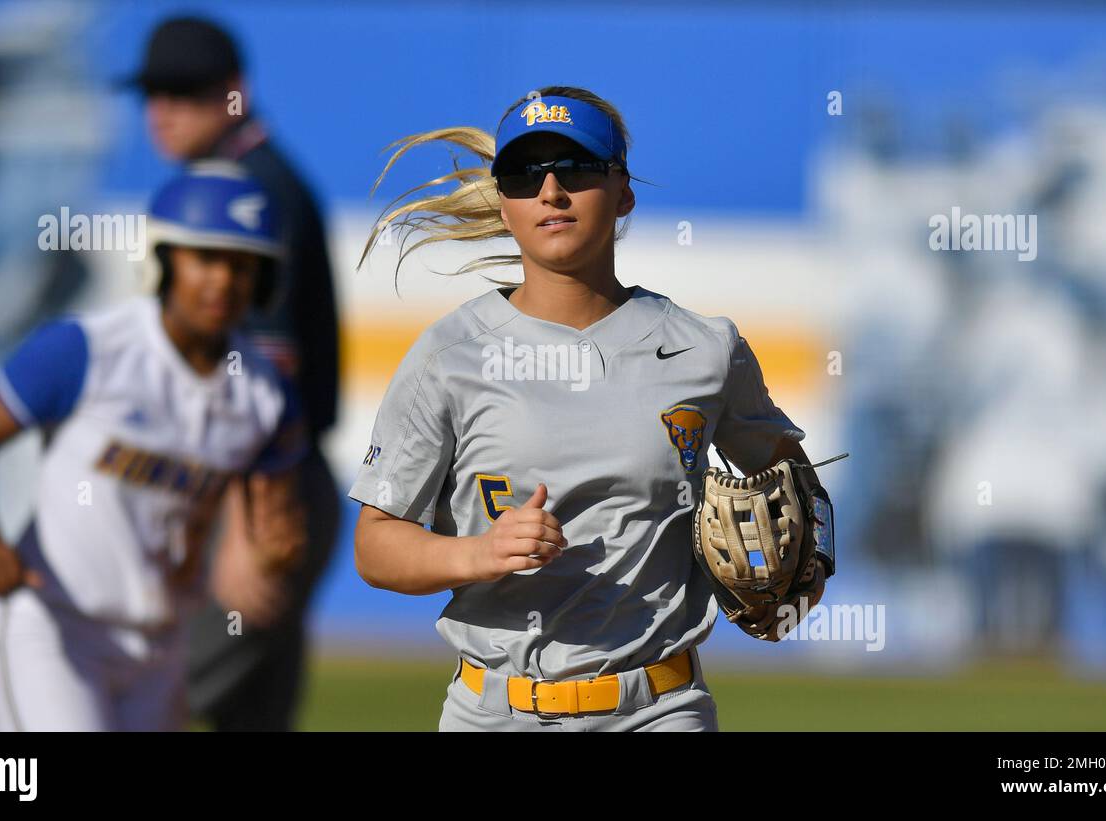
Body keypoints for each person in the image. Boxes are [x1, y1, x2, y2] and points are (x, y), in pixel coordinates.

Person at [350, 86, 827, 732]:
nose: (550, 190)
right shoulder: (450, 353)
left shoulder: (702, 349)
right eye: (525, 173)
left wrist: (801, 573)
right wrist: (479, 552)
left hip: (660, 706)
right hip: (496, 709)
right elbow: (375, 545)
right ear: (504, 200)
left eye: (574, 167)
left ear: (623, 189)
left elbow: (795, 480)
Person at [0, 164, 307, 731]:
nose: (223, 281)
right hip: (56, 626)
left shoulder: (265, 391)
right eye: (204, 257)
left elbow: (274, 518)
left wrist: (270, 548)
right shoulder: (86, 349)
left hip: (162, 648)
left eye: (241, 265)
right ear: (162, 259)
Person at [124, 16, 341, 730]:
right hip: (261, 486)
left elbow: (267, 377)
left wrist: (249, 529)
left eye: (184, 92)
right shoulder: (241, 180)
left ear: (234, 95)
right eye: (153, 93)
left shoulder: (249, 194)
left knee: (149, 700)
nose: (162, 109)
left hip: (259, 491)